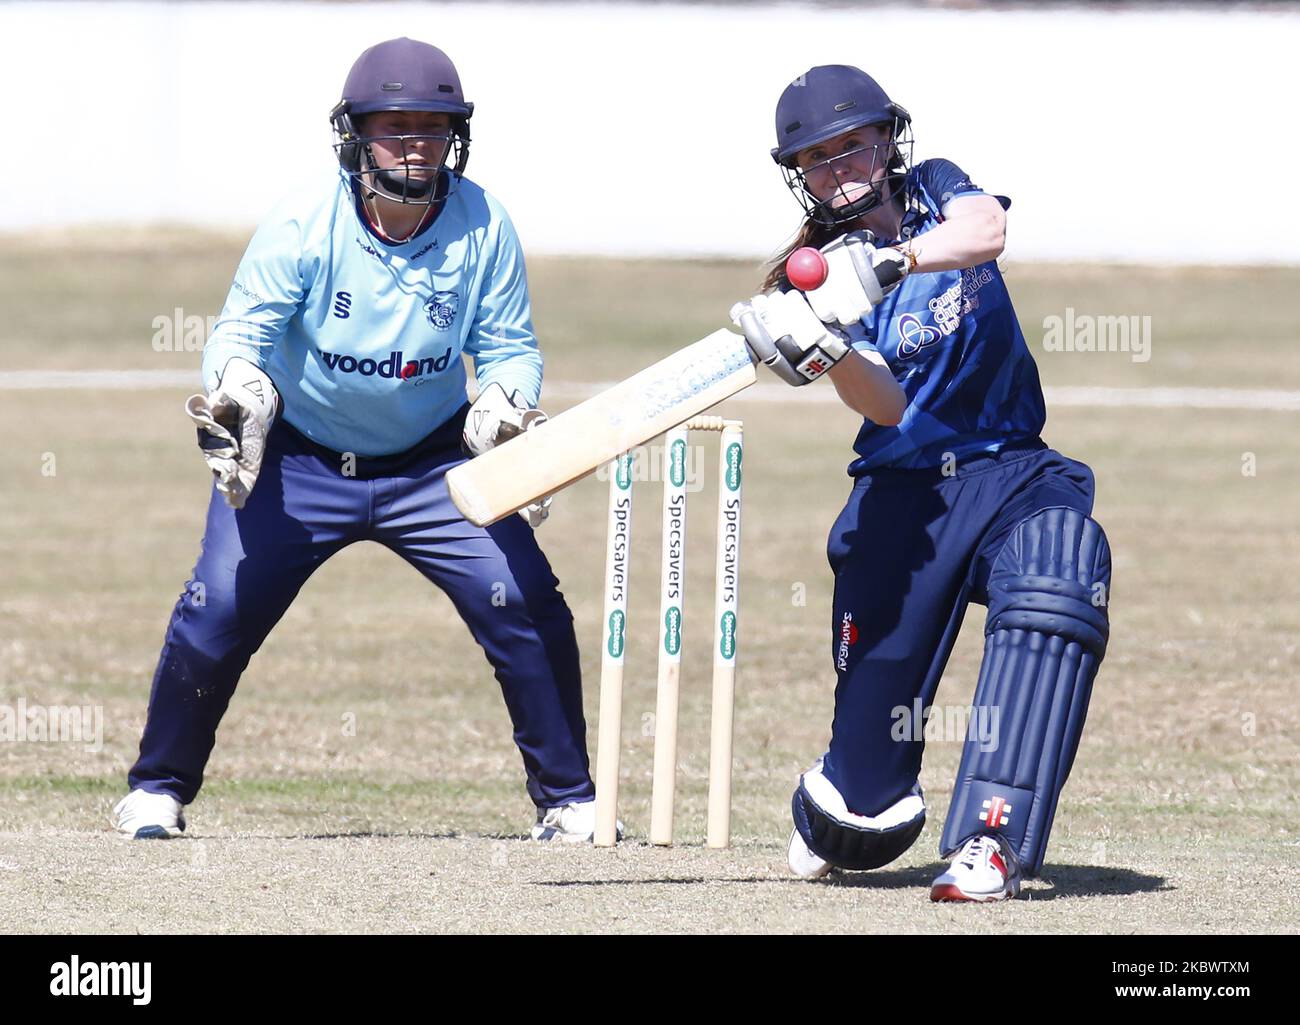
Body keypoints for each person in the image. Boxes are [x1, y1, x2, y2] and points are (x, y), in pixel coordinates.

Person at [113, 37, 607, 843]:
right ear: (355, 135)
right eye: (394, 127)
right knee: (219, 605)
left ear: (457, 136)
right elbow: (243, 327)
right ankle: (157, 789)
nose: (415, 145)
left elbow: (510, 343)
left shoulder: (484, 222)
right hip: (301, 459)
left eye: (432, 127)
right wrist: (241, 391)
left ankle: (569, 799)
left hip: (433, 461)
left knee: (522, 598)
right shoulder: (305, 219)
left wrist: (508, 406)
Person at [730, 65, 1112, 901]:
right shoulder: (815, 273)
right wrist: (829, 344)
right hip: (906, 503)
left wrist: (893, 261)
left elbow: (988, 232)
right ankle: (839, 795)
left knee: (1060, 562)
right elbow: (887, 401)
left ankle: (991, 839)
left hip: (1013, 466)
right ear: (800, 174)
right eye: (819, 158)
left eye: (851, 144)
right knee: (863, 816)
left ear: (886, 138)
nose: (840, 167)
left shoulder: (937, 189)